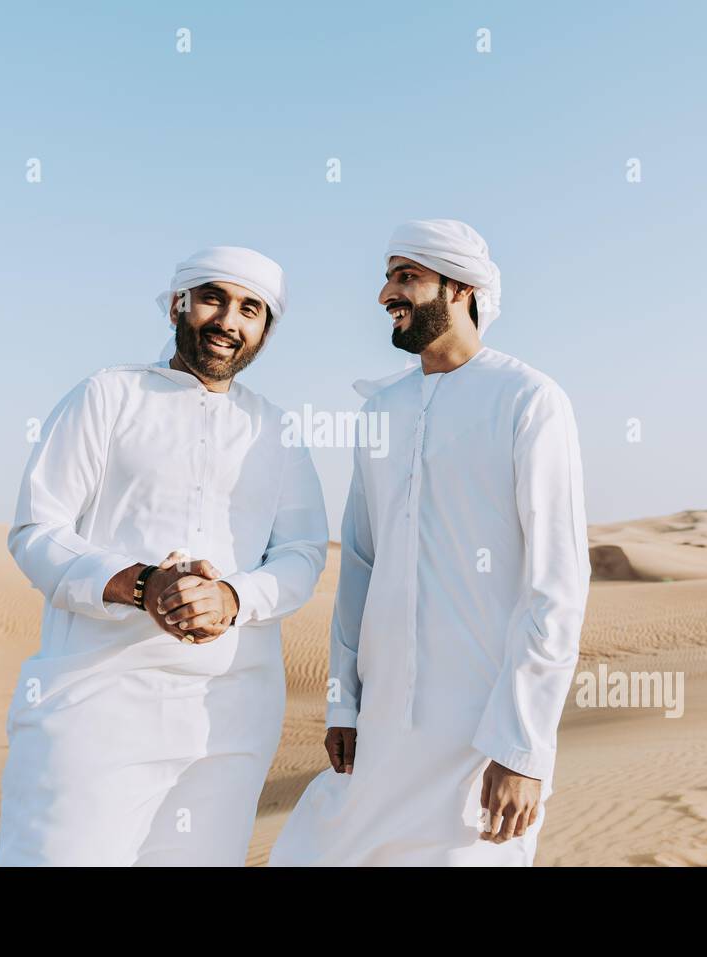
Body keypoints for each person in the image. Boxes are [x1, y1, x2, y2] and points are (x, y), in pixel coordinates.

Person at [269, 219, 590, 866]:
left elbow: (556, 583)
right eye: (388, 276)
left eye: (406, 276)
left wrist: (522, 747)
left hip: (481, 733)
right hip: (379, 730)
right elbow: (360, 560)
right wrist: (343, 700)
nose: (387, 292)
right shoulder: (380, 411)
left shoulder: (529, 400)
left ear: (461, 287)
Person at [0, 246, 328, 866]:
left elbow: (303, 553)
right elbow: (36, 529)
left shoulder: (276, 431)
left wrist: (232, 598)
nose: (229, 320)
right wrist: (141, 583)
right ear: (179, 303)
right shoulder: (108, 395)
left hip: (227, 716)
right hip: (97, 697)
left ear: (265, 328)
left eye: (250, 309)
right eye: (213, 299)